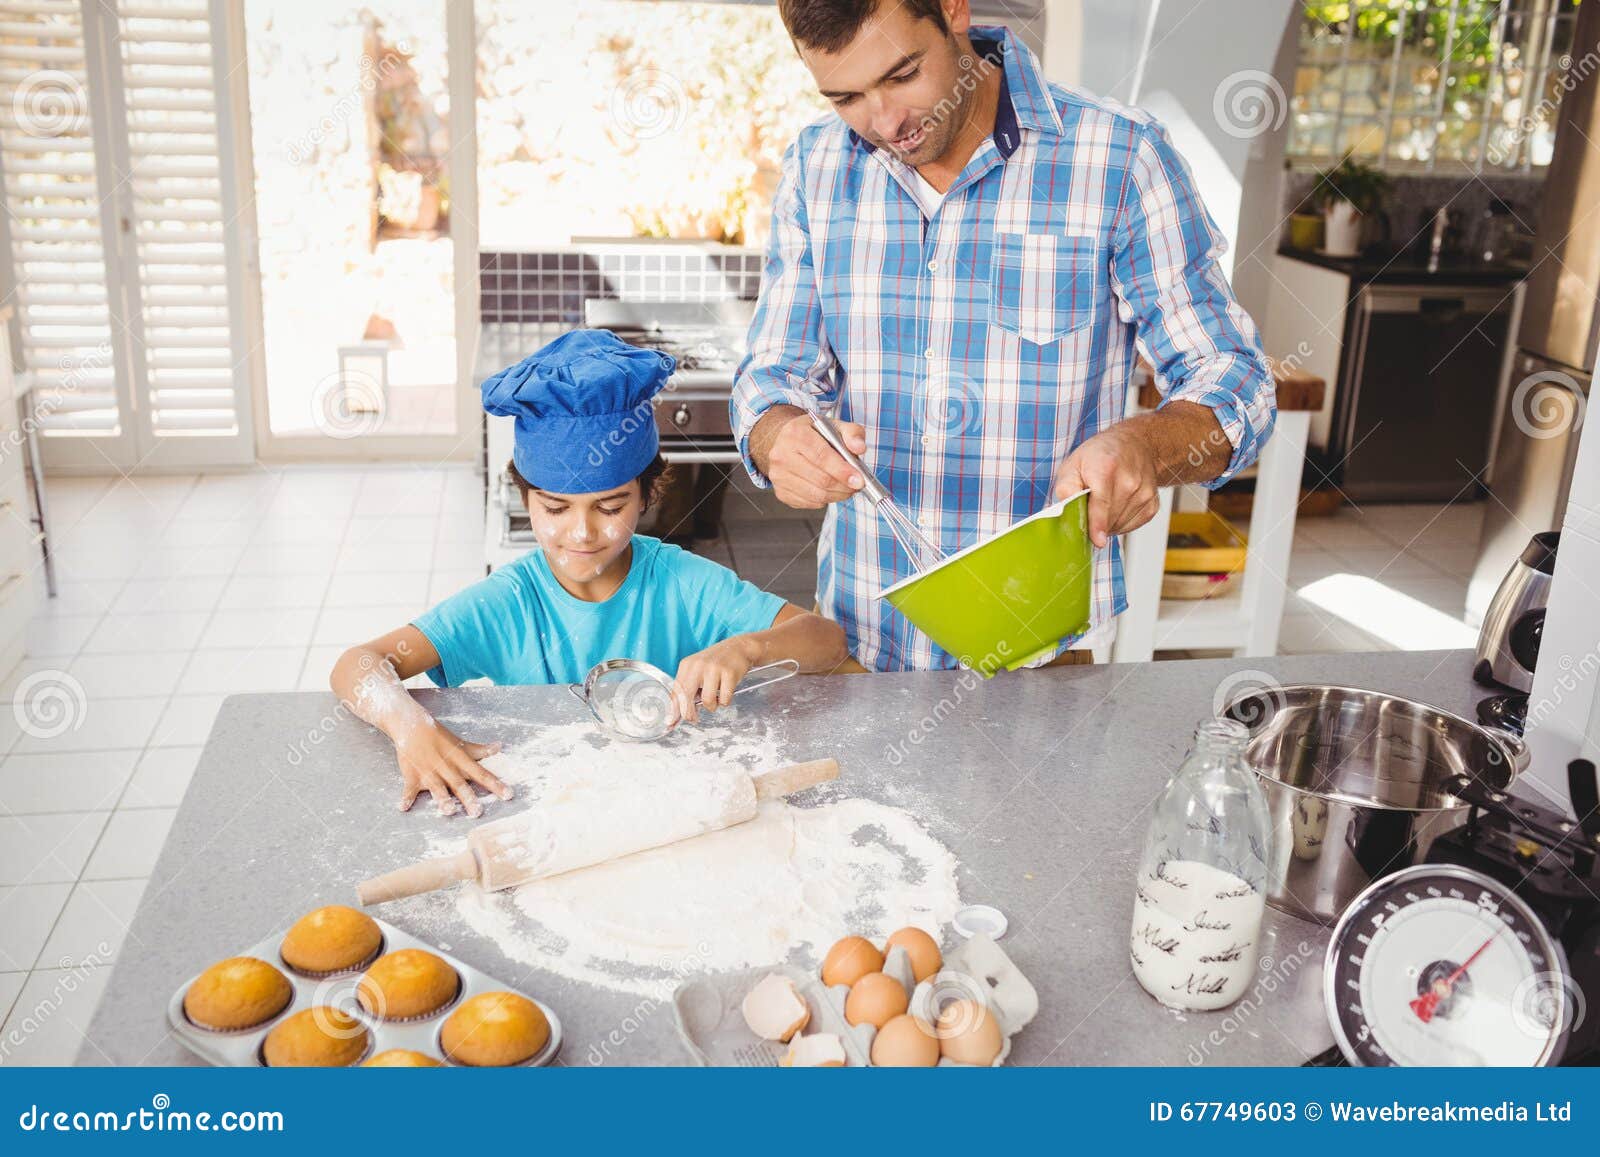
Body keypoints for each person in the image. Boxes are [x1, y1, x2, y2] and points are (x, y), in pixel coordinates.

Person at [732, 0, 1278, 672]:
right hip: (858, 644)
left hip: (1044, 653)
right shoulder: (816, 167)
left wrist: (1145, 445)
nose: (885, 122)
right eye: (845, 96)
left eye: (902, 74)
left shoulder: (1120, 158)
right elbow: (769, 377)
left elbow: (1235, 381)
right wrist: (778, 432)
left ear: (954, 10)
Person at [333, 330, 847, 818]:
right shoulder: (508, 603)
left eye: (610, 506)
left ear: (648, 495)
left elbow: (826, 642)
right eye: (556, 509)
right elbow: (357, 664)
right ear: (526, 500)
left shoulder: (683, 583)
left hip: (673, 805)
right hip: (549, 808)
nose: (581, 533)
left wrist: (746, 648)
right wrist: (411, 729)